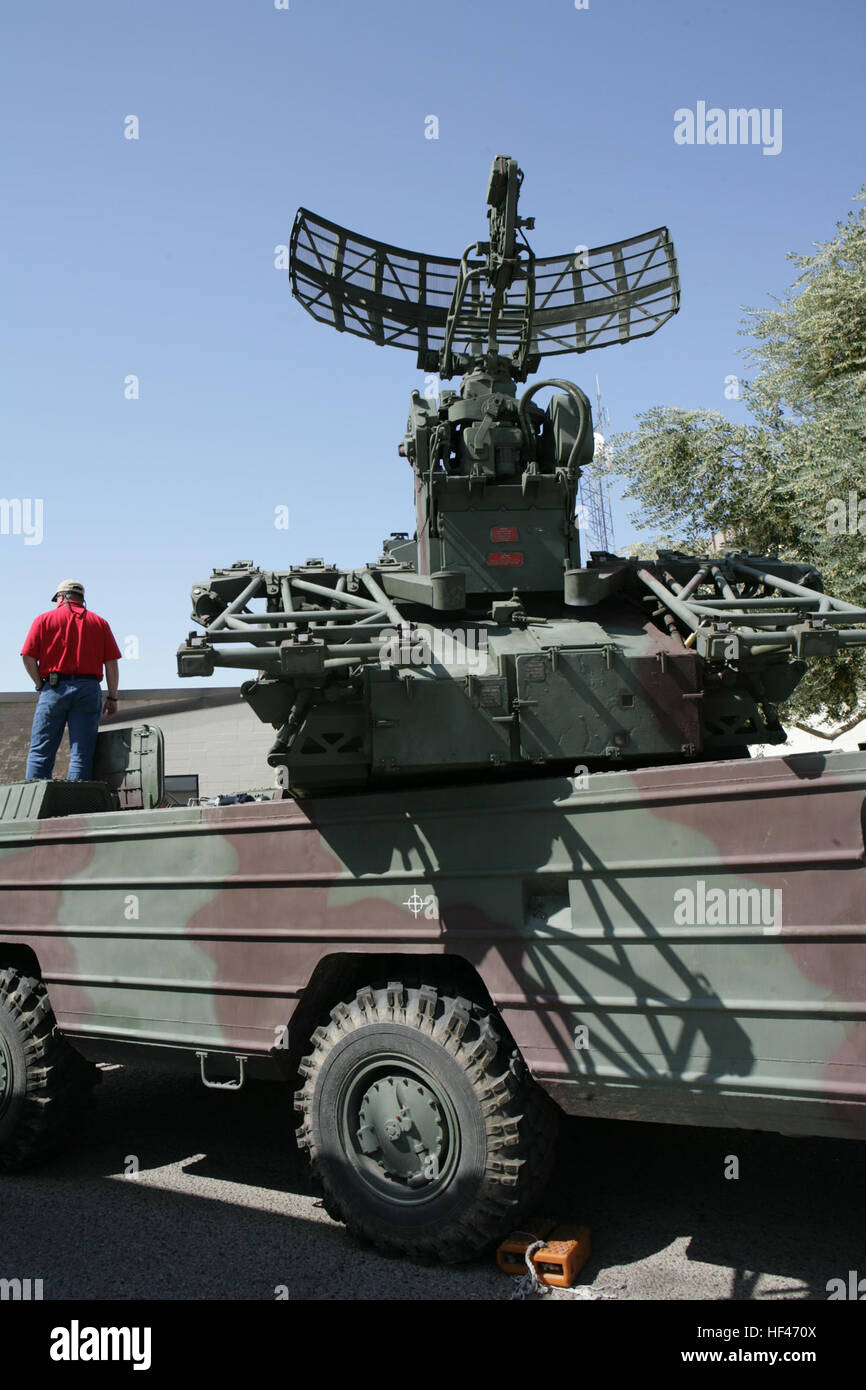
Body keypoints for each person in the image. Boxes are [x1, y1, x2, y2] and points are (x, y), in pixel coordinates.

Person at [20, 580, 122, 781]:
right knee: (81, 754)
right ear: (82, 599)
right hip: (88, 689)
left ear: (61, 597)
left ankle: (36, 799)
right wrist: (112, 697)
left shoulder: (43, 620)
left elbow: (27, 656)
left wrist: (40, 684)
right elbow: (111, 664)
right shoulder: (99, 623)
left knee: (41, 752)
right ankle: (75, 799)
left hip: (54, 688)